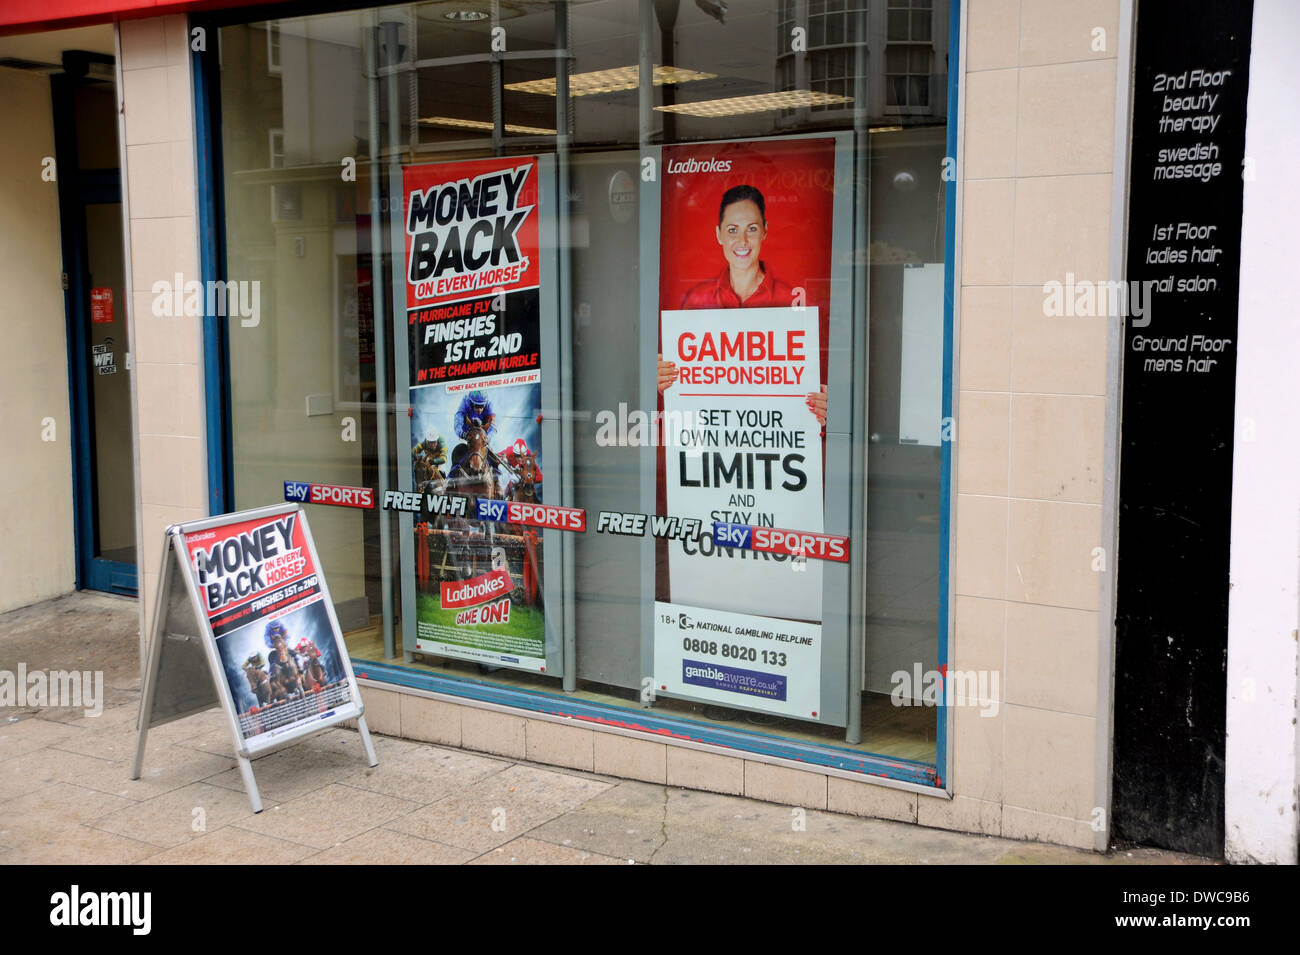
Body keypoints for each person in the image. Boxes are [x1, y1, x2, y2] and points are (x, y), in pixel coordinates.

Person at [658, 184, 827, 426]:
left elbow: (813, 380)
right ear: (719, 234)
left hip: (776, 441)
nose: (743, 241)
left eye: (752, 229)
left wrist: (824, 404)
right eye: (733, 230)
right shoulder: (696, 300)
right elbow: (682, 387)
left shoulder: (793, 301)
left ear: (765, 231)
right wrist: (665, 382)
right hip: (714, 439)